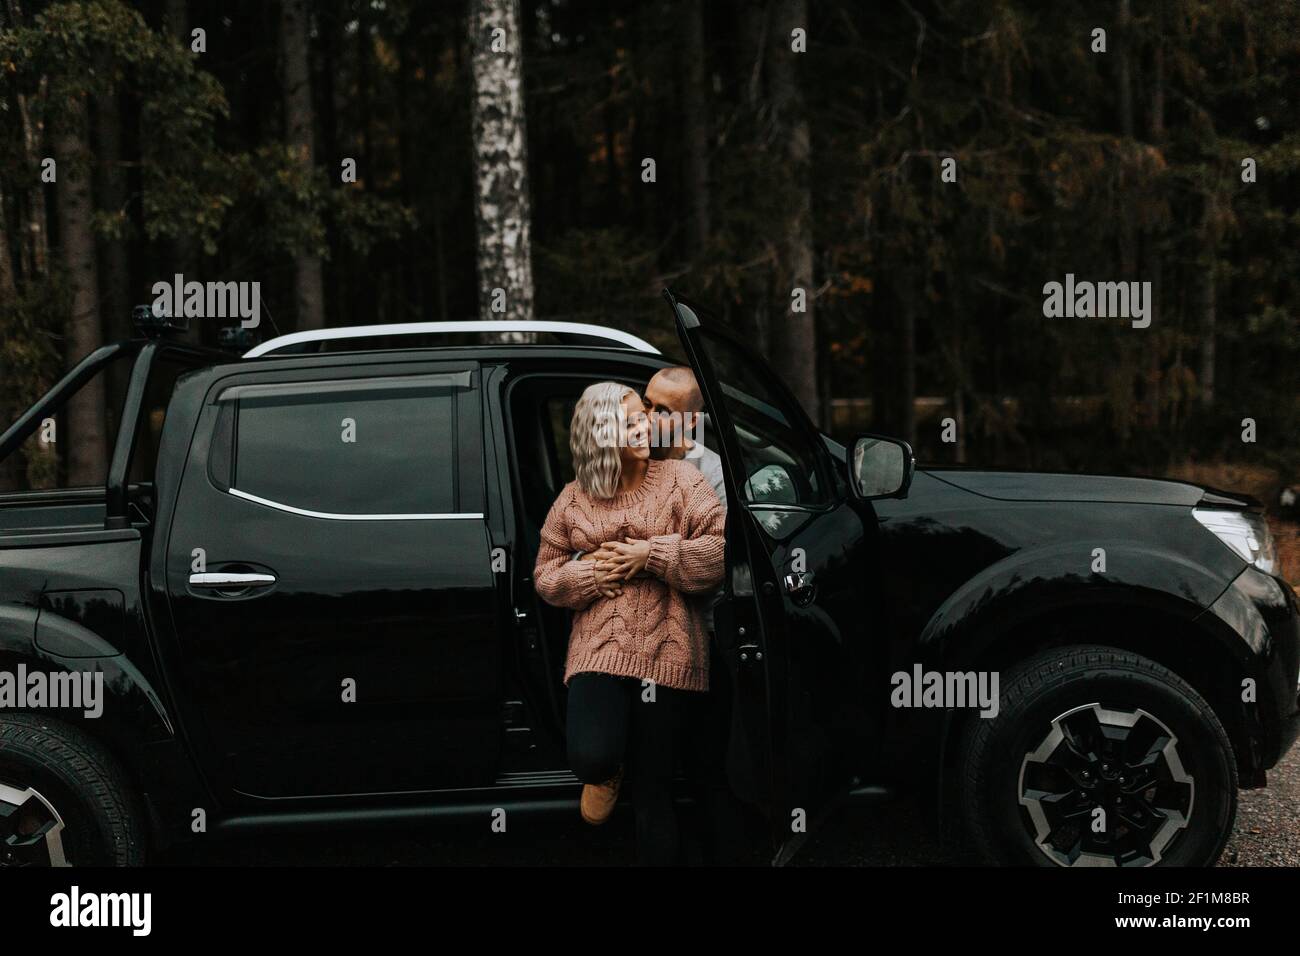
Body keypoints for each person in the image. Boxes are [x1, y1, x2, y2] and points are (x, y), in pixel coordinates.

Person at [533, 381, 724, 865]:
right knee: (591, 755)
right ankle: (607, 770)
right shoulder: (574, 500)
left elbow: (718, 555)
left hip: (666, 650)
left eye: (644, 415)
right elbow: (546, 576)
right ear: (601, 433)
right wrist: (592, 573)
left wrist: (650, 554)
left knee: (654, 789)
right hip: (599, 645)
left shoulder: (684, 481)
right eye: (629, 420)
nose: (643, 426)